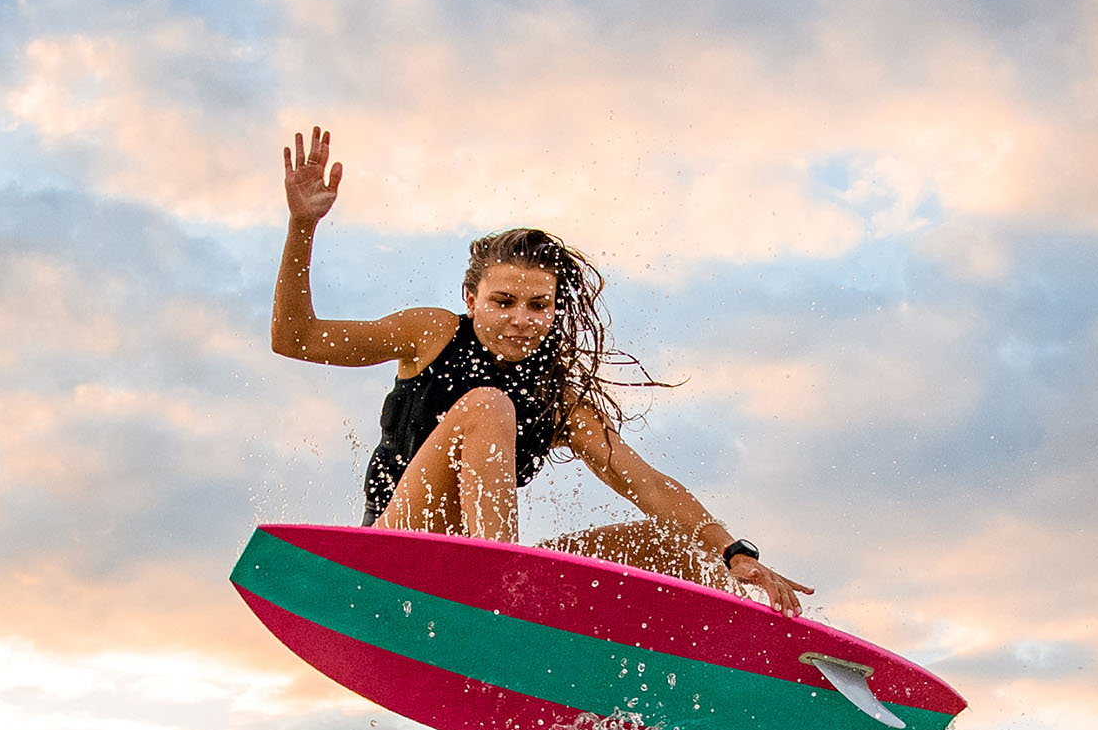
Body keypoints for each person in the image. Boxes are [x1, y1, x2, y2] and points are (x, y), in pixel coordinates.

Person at [266, 125, 814, 616]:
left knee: (681, 549)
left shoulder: (557, 397)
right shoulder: (431, 334)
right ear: (471, 297)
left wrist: (732, 551)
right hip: (394, 557)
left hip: (487, 584)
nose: (521, 320)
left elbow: (647, 484)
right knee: (487, 405)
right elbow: (296, 340)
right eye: (503, 301)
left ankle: (627, 697)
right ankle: (495, 578)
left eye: (538, 305)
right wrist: (302, 227)